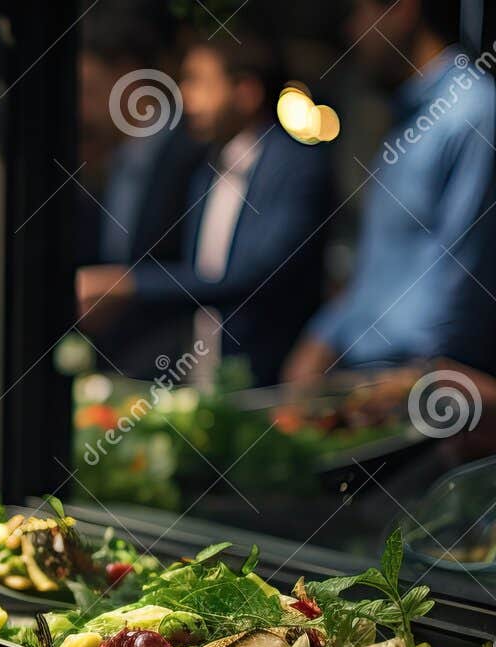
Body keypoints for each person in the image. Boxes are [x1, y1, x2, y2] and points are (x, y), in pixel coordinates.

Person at [78, 29, 332, 387]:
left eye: (198, 82)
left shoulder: (297, 167)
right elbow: (199, 271)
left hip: (270, 379)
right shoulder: (205, 168)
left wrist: (129, 285)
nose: (185, 97)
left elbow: (254, 274)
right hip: (205, 372)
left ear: (245, 92)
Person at [282, 0, 496, 383]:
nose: (351, 32)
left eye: (358, 13)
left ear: (402, 10)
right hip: (370, 379)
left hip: (424, 389)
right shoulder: (403, 121)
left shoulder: (472, 110)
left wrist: (427, 376)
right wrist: (323, 336)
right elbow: (378, 267)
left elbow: (467, 272)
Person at [74, 2, 207, 377]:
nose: (81, 108)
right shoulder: (112, 159)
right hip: (115, 366)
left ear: (128, 77)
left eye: (88, 88)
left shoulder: (195, 152)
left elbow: (211, 273)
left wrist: (127, 287)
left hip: (177, 367)